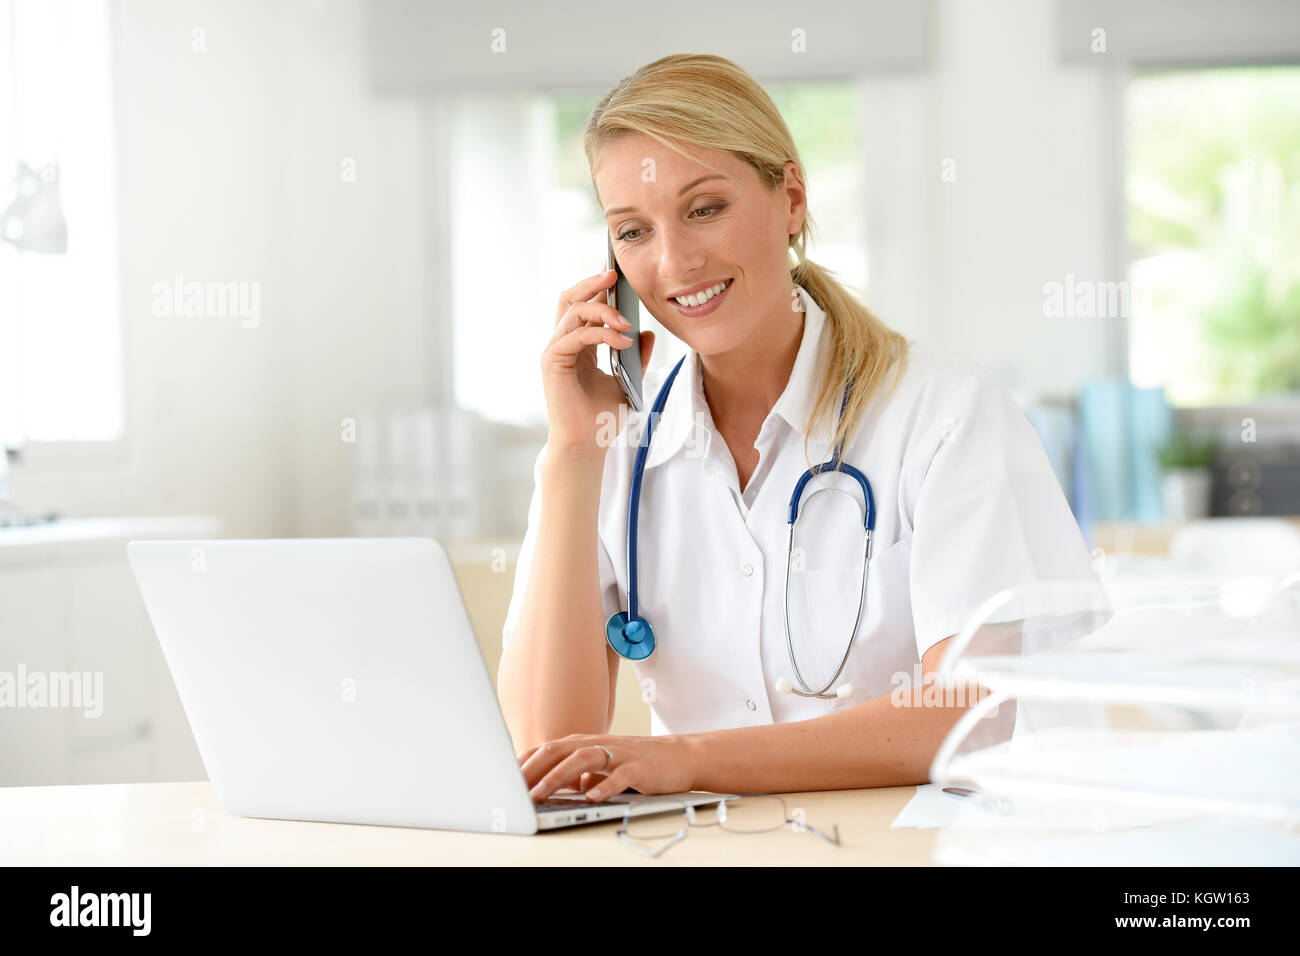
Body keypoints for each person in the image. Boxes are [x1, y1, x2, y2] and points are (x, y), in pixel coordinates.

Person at [496, 53, 1096, 804]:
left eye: (705, 208)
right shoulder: (616, 437)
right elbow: (547, 752)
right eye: (633, 231)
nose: (674, 261)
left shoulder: (943, 413)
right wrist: (574, 454)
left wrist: (688, 758)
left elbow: (965, 711)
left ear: (791, 199)